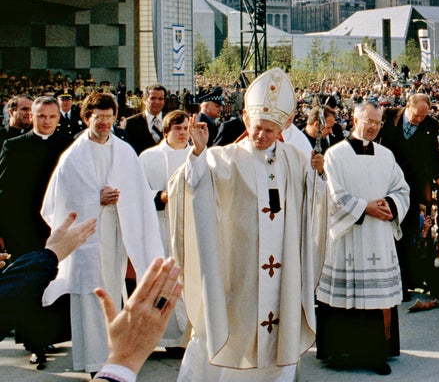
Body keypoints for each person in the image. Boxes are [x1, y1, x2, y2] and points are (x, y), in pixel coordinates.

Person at [168, 68, 327, 381]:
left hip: (282, 269)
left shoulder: (295, 158)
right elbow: (187, 187)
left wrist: (319, 176)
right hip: (239, 270)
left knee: (278, 334)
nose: (261, 135)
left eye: (270, 130)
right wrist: (198, 154)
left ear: (283, 125)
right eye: (257, 128)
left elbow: (314, 203)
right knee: (235, 330)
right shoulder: (225, 158)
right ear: (244, 119)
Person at [40, 91, 164, 375]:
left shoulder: (124, 151)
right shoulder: (74, 155)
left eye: (110, 117)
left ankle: (114, 356)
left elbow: (138, 193)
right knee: (89, 295)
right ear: (86, 118)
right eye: (99, 118)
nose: (105, 123)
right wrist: (95, 198)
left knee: (112, 290)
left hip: (116, 232)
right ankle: (92, 360)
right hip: (87, 237)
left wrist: (122, 202)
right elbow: (58, 202)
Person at [316, 101, 410, 375]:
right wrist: (364, 207)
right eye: (367, 121)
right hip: (348, 234)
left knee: (374, 298)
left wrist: (390, 205)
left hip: (377, 234)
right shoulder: (335, 155)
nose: (372, 127)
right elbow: (332, 194)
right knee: (345, 298)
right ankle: (340, 353)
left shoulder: (385, 155)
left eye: (377, 123)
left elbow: (401, 189)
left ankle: (374, 354)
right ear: (354, 120)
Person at [0, 95, 75, 367]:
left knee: (54, 283)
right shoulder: (14, 146)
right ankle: (35, 343)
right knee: (27, 285)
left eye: (52, 117)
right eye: (41, 116)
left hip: (56, 227)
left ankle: (49, 335)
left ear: (59, 118)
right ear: (31, 116)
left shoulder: (68, 146)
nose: (46, 121)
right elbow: (4, 190)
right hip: (23, 227)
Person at [376, 92, 439, 300]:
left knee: (407, 234)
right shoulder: (388, 116)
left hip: (409, 188)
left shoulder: (430, 126)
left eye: (423, 116)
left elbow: (433, 152)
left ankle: (403, 284)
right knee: (386, 233)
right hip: (385, 183)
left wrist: (437, 175)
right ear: (407, 106)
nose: (419, 120)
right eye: (416, 115)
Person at [138, 109, 192, 350]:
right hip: (160, 225)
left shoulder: (197, 155)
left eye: (186, 128)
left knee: (188, 280)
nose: (182, 133)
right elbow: (138, 192)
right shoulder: (149, 157)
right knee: (163, 279)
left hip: (190, 229)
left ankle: (188, 338)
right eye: (177, 129)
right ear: (166, 131)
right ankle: (162, 337)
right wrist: (159, 196)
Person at [124, 84, 167, 155]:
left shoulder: (172, 122)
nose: (157, 102)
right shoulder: (130, 123)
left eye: (160, 99)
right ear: (144, 99)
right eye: (153, 98)